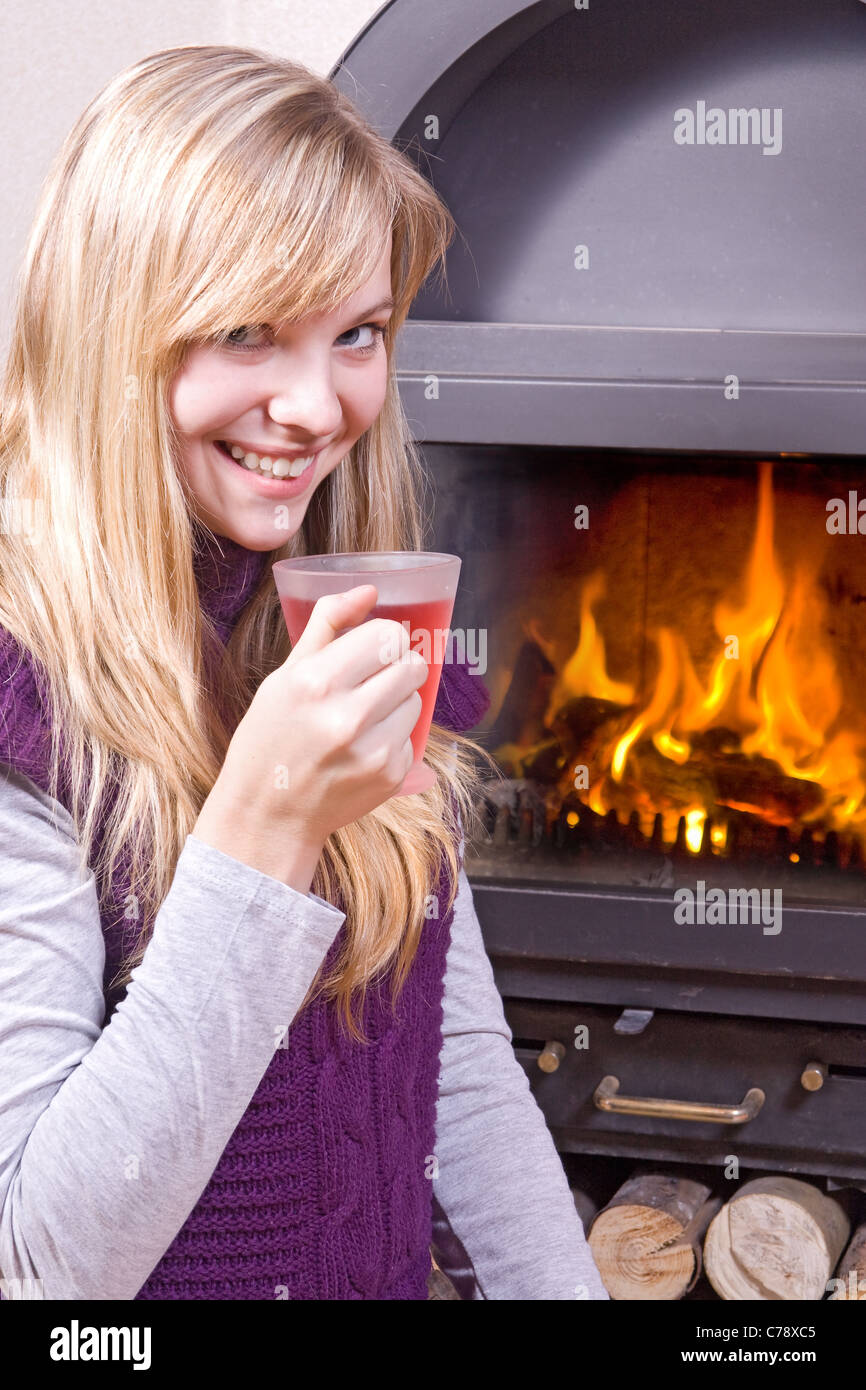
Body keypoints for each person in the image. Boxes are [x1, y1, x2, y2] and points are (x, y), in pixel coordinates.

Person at [0, 44, 608, 1301]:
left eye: (358, 335)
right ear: (114, 326)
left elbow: (467, 1077)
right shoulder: (23, 693)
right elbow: (44, 1272)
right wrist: (261, 829)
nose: (316, 407)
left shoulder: (344, 618)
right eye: (245, 333)